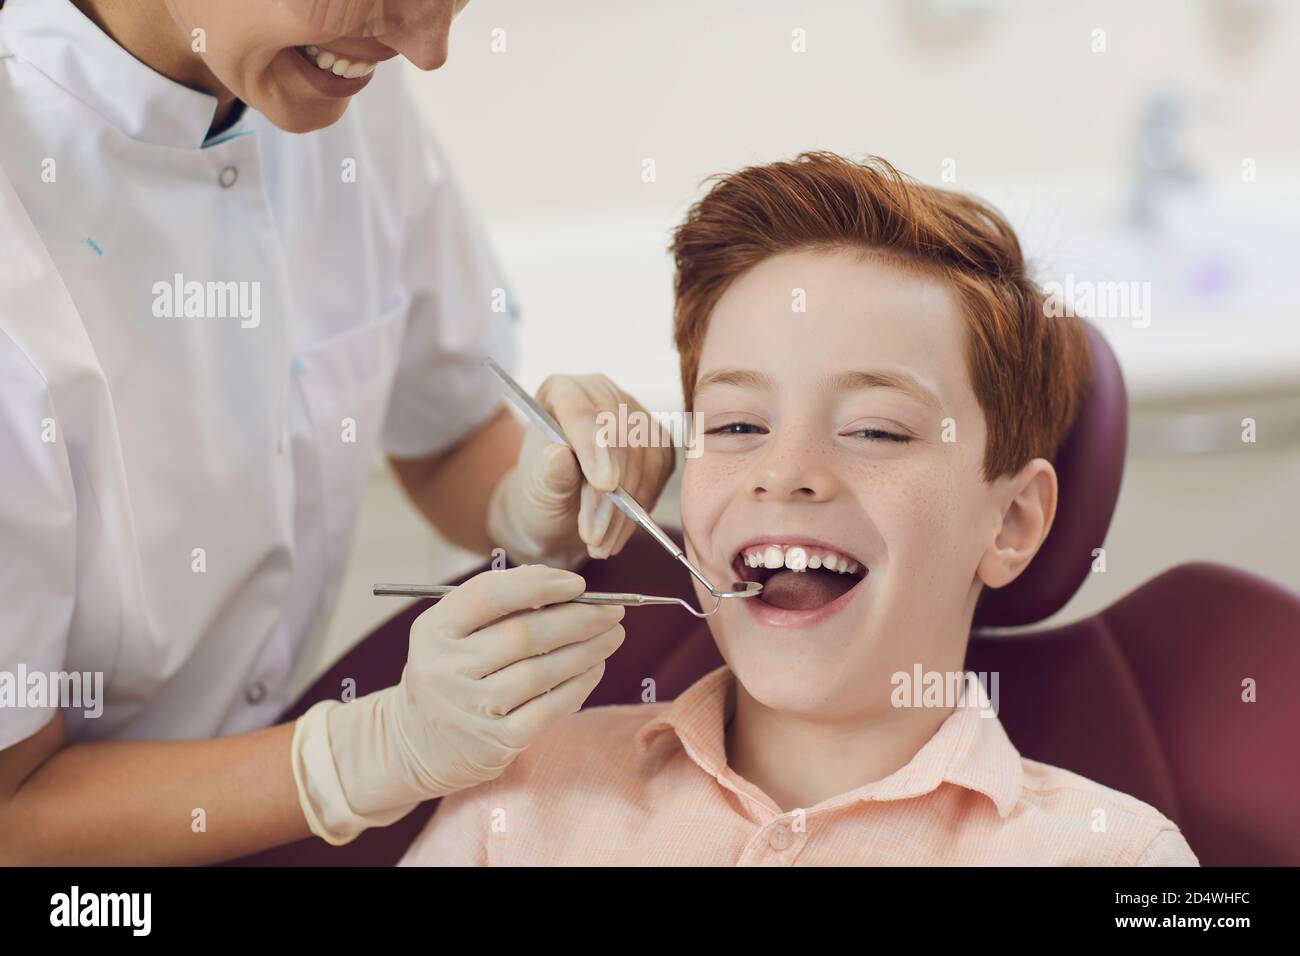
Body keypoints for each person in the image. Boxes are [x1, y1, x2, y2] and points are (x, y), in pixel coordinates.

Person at [0, 0, 672, 864]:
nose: (427, 52)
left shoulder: (326, 75)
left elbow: (449, 437)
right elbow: (14, 815)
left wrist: (534, 492)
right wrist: (359, 758)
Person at [399, 152, 1200, 866]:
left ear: (1014, 521)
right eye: (740, 425)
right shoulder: (528, 790)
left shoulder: (1121, 860)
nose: (785, 474)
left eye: (876, 431)